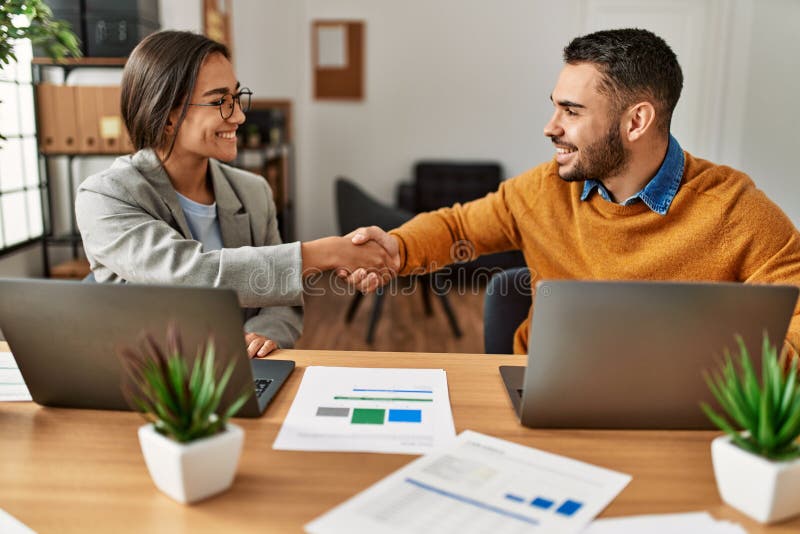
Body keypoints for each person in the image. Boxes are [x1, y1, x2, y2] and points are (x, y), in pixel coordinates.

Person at [347, 28, 800, 357]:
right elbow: (458, 226)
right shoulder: (544, 190)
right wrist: (399, 246)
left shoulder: (733, 211)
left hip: (675, 419)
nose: (551, 127)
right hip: (541, 399)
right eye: (555, 107)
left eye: (572, 111)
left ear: (636, 121)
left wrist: (733, 376)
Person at [75, 31, 396, 358]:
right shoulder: (105, 196)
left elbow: (284, 301)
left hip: (243, 376)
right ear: (168, 115)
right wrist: (326, 252)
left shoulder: (253, 192)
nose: (240, 116)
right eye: (219, 102)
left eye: (237, 97)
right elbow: (189, 274)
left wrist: (265, 334)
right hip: (144, 385)